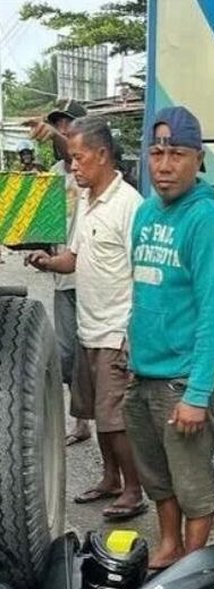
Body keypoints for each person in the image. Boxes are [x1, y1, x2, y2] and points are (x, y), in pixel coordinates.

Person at [124, 106, 214, 569]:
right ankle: (169, 546)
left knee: (193, 486)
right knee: (157, 477)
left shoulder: (207, 222)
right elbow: (143, 289)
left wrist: (197, 393)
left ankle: (192, 569)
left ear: (198, 159)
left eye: (177, 155)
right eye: (156, 154)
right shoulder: (146, 212)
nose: (164, 166)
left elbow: (213, 315)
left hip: (180, 383)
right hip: (142, 373)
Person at [26, 116, 146, 521]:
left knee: (115, 420)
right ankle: (110, 479)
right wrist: (47, 262)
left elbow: (143, 275)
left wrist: (132, 333)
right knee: (95, 412)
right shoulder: (88, 201)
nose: (73, 165)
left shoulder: (129, 205)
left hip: (115, 332)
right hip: (88, 329)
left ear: (102, 155)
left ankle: (134, 490)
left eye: (79, 158)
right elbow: (73, 259)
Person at [36, 99, 91, 445]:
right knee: (68, 354)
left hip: (91, 277)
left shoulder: (92, 168)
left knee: (97, 352)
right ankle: (81, 420)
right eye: (57, 124)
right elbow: (43, 223)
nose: (62, 130)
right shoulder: (55, 174)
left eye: (67, 124)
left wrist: (56, 136)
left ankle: (108, 423)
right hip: (62, 275)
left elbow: (74, 151)